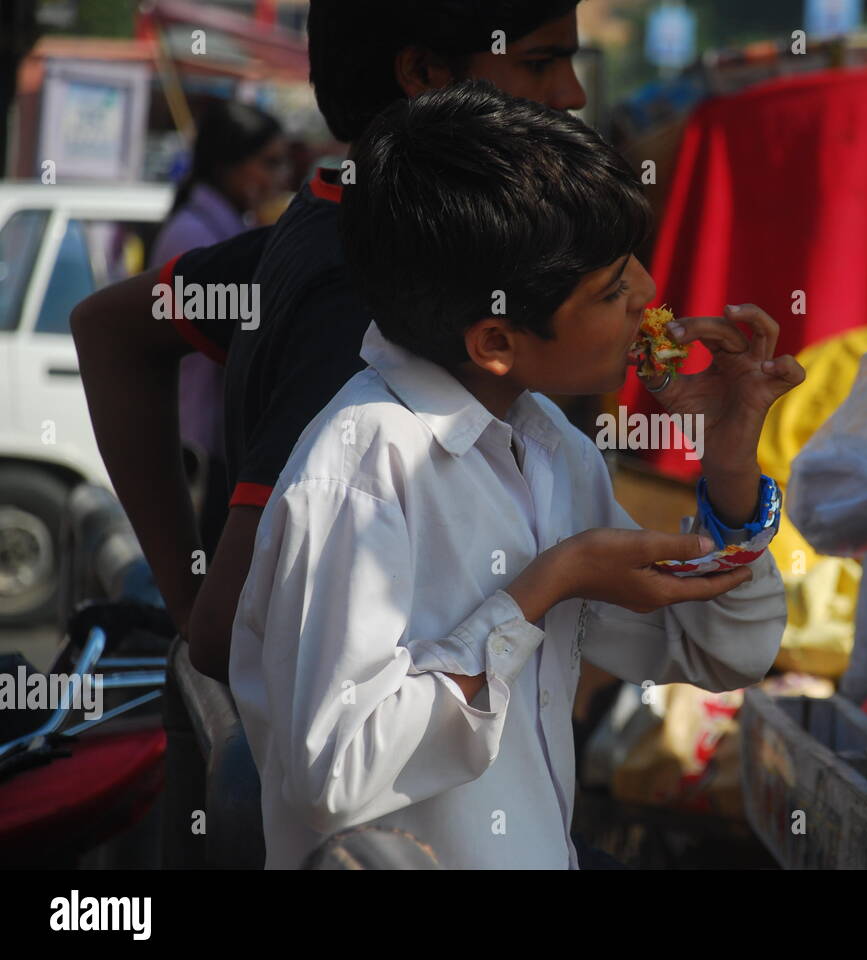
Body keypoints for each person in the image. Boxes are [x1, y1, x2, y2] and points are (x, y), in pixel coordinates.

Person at [230, 81, 804, 869]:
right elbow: (335, 775)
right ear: (497, 340)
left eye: (631, 264)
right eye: (609, 289)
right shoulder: (362, 470)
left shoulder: (548, 448)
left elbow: (718, 654)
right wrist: (544, 587)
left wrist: (730, 460)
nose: (646, 293)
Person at [71, 0, 591, 867]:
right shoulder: (362, 296)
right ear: (422, 73)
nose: (571, 94)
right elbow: (221, 627)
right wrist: (196, 597)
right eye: (541, 62)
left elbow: (110, 325)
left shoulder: (335, 223)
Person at [150, 100, 287, 554]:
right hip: (198, 448)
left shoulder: (227, 229)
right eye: (268, 162)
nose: (279, 177)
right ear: (229, 165)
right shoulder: (194, 235)